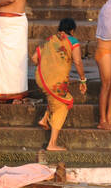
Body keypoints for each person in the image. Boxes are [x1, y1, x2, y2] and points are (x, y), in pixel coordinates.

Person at [34, 18, 86, 151]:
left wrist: (48, 68)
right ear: (72, 30)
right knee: (64, 104)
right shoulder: (73, 41)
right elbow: (78, 62)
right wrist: (82, 79)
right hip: (55, 82)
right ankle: (52, 144)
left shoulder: (50, 39)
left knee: (55, 98)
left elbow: (34, 57)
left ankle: (45, 119)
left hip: (41, 77)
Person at [98, 0, 111, 129]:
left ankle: (110, 119)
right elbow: (109, 32)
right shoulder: (108, 9)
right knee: (107, 84)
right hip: (105, 51)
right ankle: (102, 120)